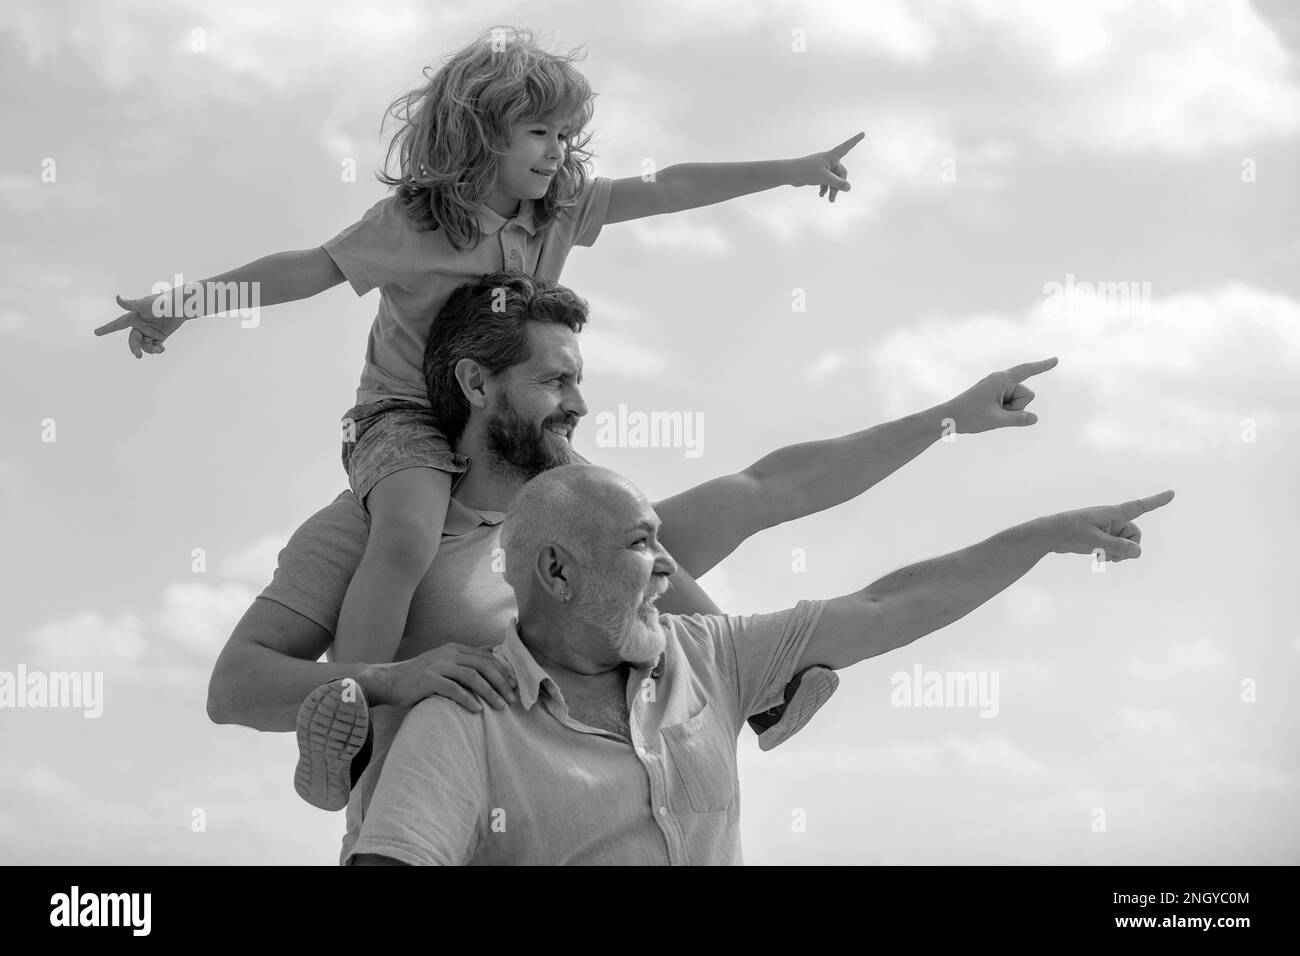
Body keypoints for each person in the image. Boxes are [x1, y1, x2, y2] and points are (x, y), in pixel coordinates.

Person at [98, 24, 866, 728]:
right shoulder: (414, 224)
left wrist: (790, 172)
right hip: (404, 413)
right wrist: (183, 303)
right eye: (539, 132)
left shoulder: (559, 209)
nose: (558, 150)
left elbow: (668, 188)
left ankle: (750, 686)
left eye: (566, 135)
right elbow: (308, 269)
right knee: (405, 532)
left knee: (623, 524)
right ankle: (357, 710)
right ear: (478, 135)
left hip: (508, 413)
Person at [207, 271, 1058, 857]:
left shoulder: (597, 526)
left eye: (580, 380)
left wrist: (950, 418)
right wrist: (398, 679)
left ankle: (763, 694)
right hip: (443, 832)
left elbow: (769, 486)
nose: (579, 403)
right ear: (475, 383)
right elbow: (234, 687)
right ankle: (342, 760)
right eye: (555, 381)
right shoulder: (377, 521)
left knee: (692, 616)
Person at [348, 464, 1173, 865]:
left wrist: (1040, 536)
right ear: (557, 573)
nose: (668, 569)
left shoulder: (711, 656)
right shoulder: (460, 719)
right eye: (641, 545)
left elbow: (886, 609)